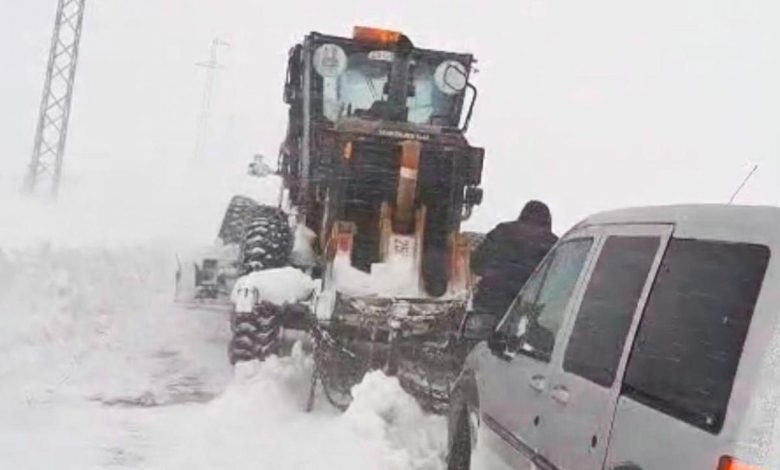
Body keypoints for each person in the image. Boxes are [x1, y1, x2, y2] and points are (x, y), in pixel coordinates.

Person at [471, 200, 558, 320]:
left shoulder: (501, 231)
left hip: (490, 305)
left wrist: (494, 273)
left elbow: (476, 264)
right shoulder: (553, 243)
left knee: (477, 337)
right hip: (527, 310)